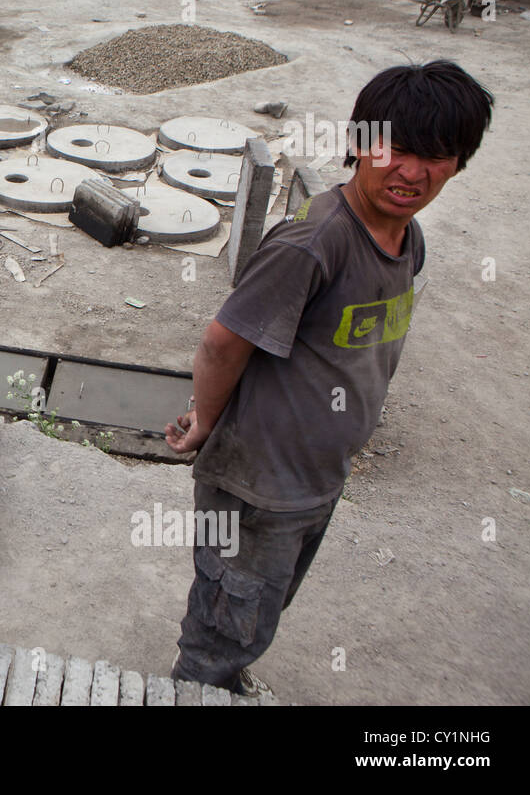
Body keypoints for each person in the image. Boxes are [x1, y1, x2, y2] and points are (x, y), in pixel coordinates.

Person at [165, 60, 494, 696]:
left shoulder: (407, 237)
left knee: (258, 608)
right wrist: (208, 422)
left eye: (437, 155)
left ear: (459, 162)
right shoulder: (312, 243)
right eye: (394, 147)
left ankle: (225, 676)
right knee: (224, 624)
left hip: (314, 481)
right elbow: (221, 340)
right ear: (361, 142)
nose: (411, 171)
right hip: (258, 486)